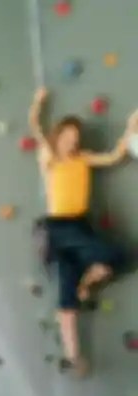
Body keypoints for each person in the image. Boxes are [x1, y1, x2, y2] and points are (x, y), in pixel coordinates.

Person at [29, 87, 138, 377]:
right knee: (113, 257)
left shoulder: (83, 158)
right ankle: (74, 352)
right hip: (57, 229)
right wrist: (38, 103)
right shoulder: (50, 158)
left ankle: (84, 289)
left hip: (77, 228)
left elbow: (115, 155)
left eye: (74, 140)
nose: (71, 143)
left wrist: (130, 128)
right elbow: (36, 129)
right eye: (66, 137)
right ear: (59, 137)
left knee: (117, 260)